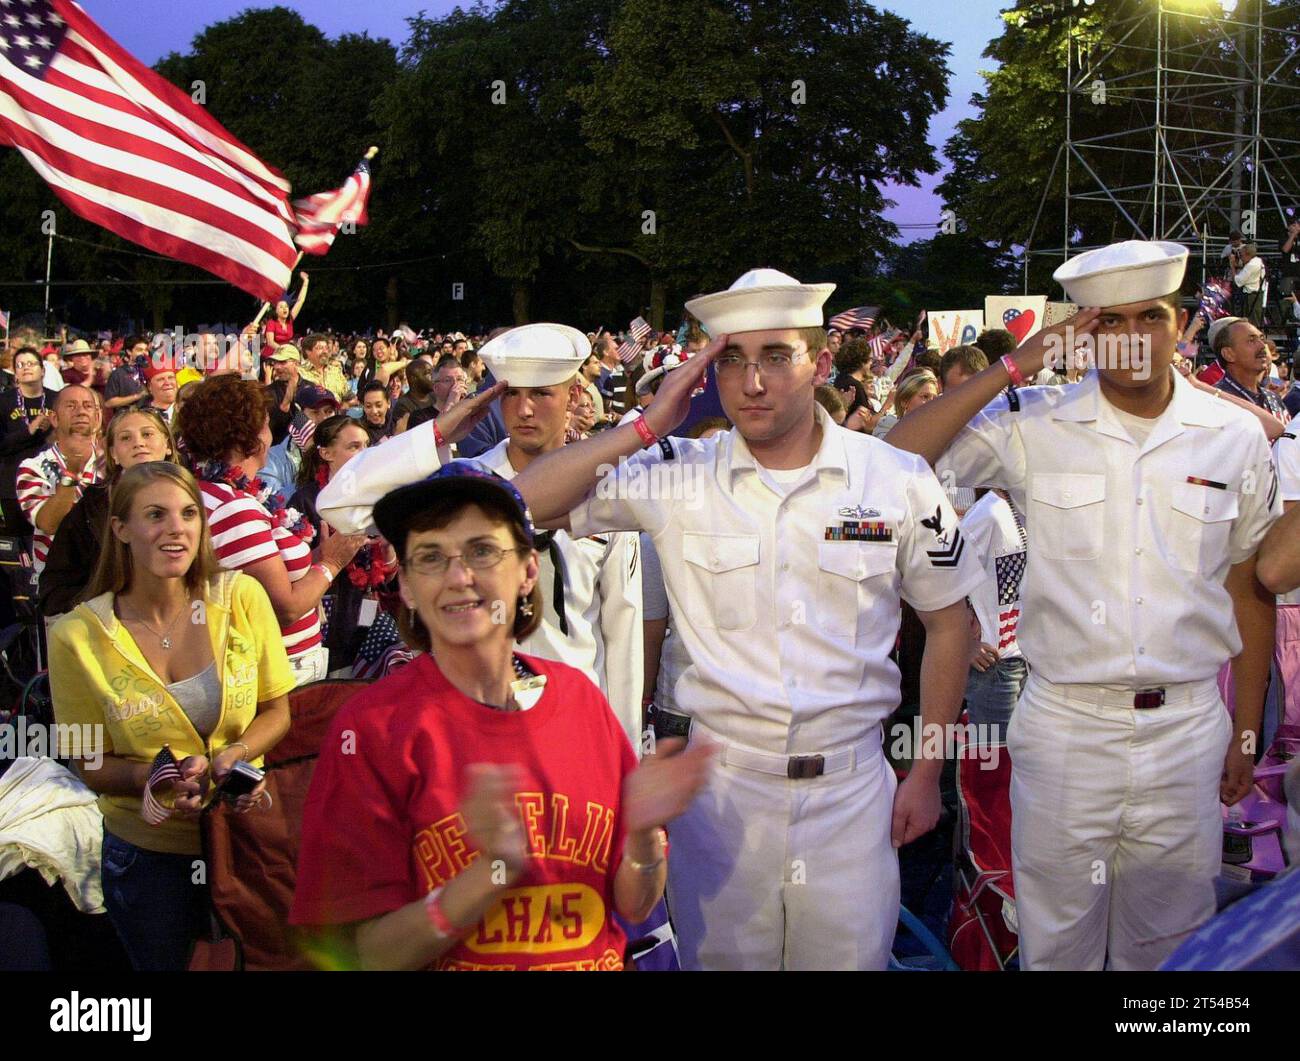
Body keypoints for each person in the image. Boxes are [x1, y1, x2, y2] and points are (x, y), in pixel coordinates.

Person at [512, 268, 983, 971]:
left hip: (851, 792)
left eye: (775, 356)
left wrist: (926, 768)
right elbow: (519, 504)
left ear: (821, 362)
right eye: (731, 359)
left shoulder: (894, 477)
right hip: (722, 796)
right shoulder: (678, 472)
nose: (752, 381)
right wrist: (644, 424)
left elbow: (952, 623)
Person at [884, 239, 1279, 970]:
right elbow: (894, 459)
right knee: (1056, 946)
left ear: (1182, 322)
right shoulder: (1037, 421)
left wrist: (1246, 730)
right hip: (1067, 725)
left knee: (1167, 954)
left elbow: (1249, 589)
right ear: (1084, 330)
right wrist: (1017, 364)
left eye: (1151, 316)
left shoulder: (1233, 437)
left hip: (1188, 726)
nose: (1132, 336)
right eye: (1110, 320)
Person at [290, 461, 712, 970]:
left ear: (529, 570)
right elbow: (364, 957)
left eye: (483, 551)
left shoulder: (580, 701)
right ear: (405, 585)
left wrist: (644, 838)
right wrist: (488, 874)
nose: (458, 577)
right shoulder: (372, 730)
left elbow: (633, 904)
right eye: (429, 557)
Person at [319, 325, 646, 745]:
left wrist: (623, 757)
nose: (524, 409)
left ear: (575, 397)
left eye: (541, 393)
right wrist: (438, 434)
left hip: (570, 722)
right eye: (511, 394)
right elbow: (340, 506)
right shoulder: (465, 483)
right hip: (468, 723)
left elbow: (622, 632)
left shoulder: (605, 490)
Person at [48, 462, 293, 971]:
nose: (175, 528)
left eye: (188, 514)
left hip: (245, 841)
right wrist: (156, 776)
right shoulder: (75, 635)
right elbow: (87, 763)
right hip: (146, 858)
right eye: (154, 515)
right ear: (121, 530)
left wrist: (237, 753)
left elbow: (278, 710)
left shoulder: (242, 597)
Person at [178, 374, 364, 687]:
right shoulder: (235, 509)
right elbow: (285, 608)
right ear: (247, 438)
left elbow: (274, 568)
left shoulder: (222, 492)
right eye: (265, 424)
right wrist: (332, 564)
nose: (271, 433)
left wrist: (321, 553)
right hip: (281, 667)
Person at [289, 415, 408, 679]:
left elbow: (388, 579)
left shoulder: (379, 499)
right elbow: (291, 570)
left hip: (368, 616)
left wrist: (388, 554)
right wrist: (325, 557)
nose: (364, 454)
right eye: (354, 446)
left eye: (366, 445)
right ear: (326, 453)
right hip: (325, 622)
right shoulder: (306, 501)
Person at [40, 408, 179, 618]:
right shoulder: (92, 505)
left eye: (147, 434)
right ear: (113, 453)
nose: (138, 443)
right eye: (125, 438)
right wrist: (106, 606)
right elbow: (55, 589)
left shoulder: (194, 496)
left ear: (167, 444)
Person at [959, 489, 1027, 739]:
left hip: (1030, 663)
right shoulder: (989, 514)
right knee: (992, 768)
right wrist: (964, 644)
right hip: (994, 667)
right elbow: (938, 575)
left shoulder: (1031, 510)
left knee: (1020, 768)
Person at [16, 386, 104, 575]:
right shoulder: (33, 466)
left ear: (97, 417)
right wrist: (70, 478)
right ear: (54, 418)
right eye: (71, 406)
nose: (80, 411)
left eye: (87, 406)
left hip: (107, 578)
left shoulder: (113, 465)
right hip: (57, 581)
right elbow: (48, 523)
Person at [0, 346, 58, 534]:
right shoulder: (4, 401)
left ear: (42, 370)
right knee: (21, 548)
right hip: (13, 484)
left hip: (52, 481)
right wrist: (29, 430)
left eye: (31, 363)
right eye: (20, 365)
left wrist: (54, 430)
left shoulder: (57, 399)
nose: (26, 367)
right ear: (15, 373)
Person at [1209, 316, 1288, 421]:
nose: (1262, 346)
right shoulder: (1215, 402)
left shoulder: (1273, 398)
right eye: (1251, 340)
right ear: (1228, 354)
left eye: (1262, 339)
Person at [259, 272, 309, 361]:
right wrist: (285, 350)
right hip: (272, 355)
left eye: (286, 306)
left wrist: (305, 282)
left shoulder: (290, 320)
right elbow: (270, 342)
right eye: (281, 307)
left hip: (285, 355)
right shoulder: (272, 323)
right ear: (276, 310)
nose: (284, 309)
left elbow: (300, 301)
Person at [103, 336, 149, 413]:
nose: (144, 353)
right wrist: (136, 396)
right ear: (129, 352)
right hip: (126, 420)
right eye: (140, 350)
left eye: (146, 350)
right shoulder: (118, 374)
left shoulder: (150, 371)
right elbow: (109, 403)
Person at [298, 334, 348, 401]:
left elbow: (347, 394)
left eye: (326, 348)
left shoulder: (335, 370)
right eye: (320, 348)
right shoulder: (300, 372)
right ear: (308, 352)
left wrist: (345, 404)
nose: (325, 351)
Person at [1231, 243, 1266, 326]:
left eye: (1242, 256)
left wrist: (1232, 266)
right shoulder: (1258, 260)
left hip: (1252, 297)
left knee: (1252, 322)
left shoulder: (1251, 265)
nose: (1241, 258)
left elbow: (1237, 281)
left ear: (1248, 255)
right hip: (1256, 294)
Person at [139, 359, 179, 426]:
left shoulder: (188, 408)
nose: (167, 383)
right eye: (160, 379)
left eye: (171, 378)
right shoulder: (141, 416)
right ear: (149, 387)